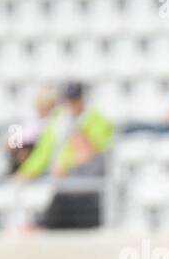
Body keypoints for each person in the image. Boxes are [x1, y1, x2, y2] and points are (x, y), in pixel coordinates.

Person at [16, 82, 114, 229]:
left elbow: (92, 154)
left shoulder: (97, 121)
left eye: (74, 99)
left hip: (87, 186)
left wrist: (66, 165)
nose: (71, 104)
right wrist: (26, 172)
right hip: (62, 184)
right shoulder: (58, 122)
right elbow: (44, 152)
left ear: (82, 99)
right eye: (68, 100)